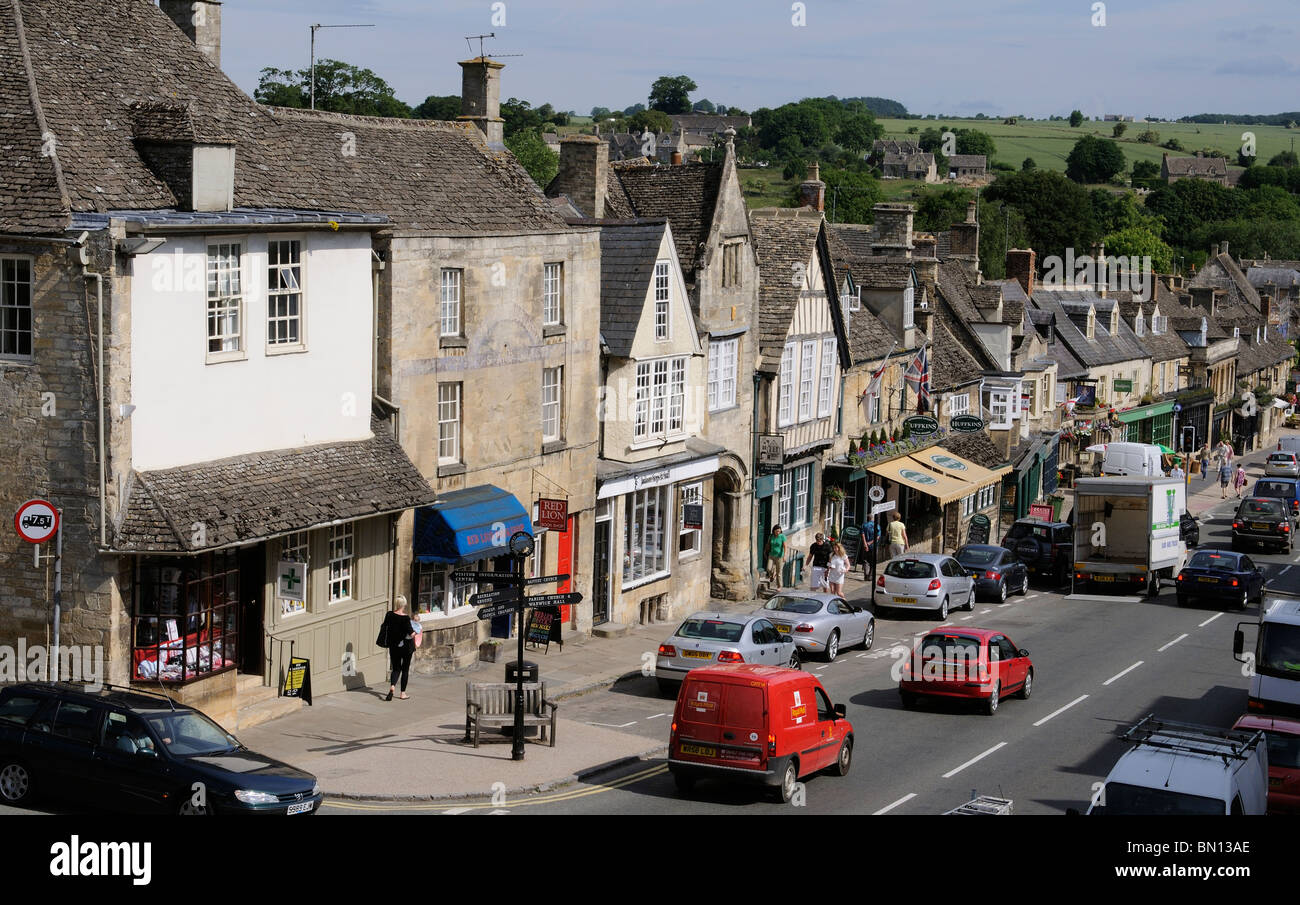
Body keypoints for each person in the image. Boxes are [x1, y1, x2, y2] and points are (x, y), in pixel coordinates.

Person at [382, 596, 416, 701]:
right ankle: (402, 693)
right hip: (406, 647)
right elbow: (412, 633)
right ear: (404, 604)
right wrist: (417, 630)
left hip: (394, 646)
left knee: (396, 668)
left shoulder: (389, 615)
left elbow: (385, 627)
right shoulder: (405, 618)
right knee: (405, 669)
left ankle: (392, 687)